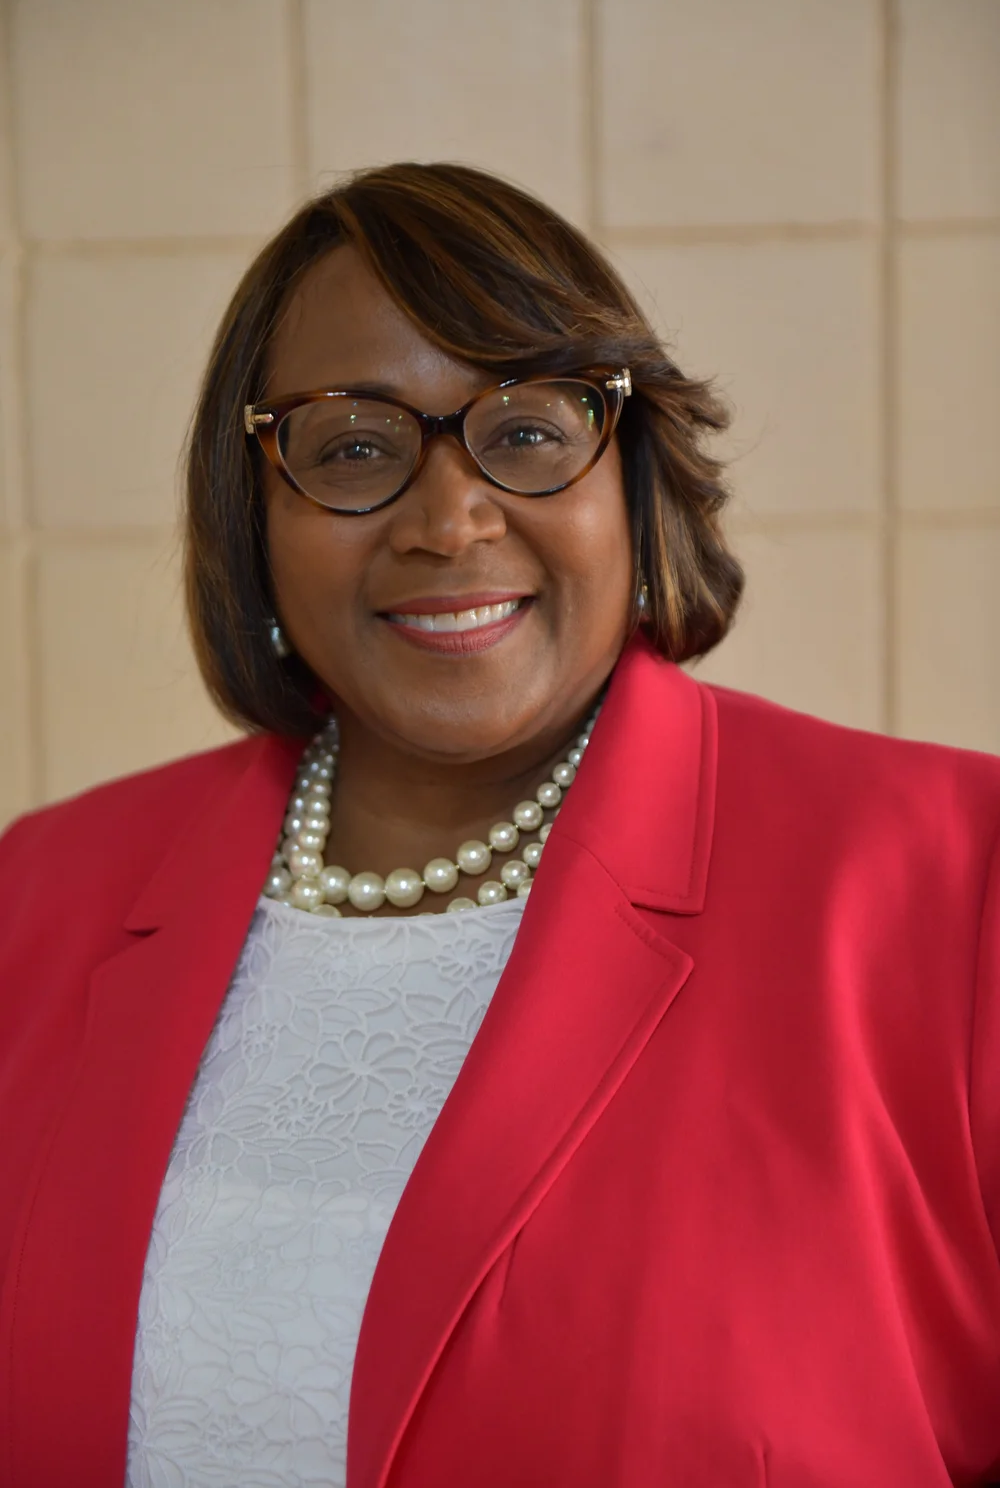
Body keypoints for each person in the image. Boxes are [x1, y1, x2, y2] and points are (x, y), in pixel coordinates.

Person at [0, 161, 998, 1488]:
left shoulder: (950, 886)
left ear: (631, 476)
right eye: (353, 446)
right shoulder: (40, 895)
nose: (449, 518)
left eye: (526, 431)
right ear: (255, 514)